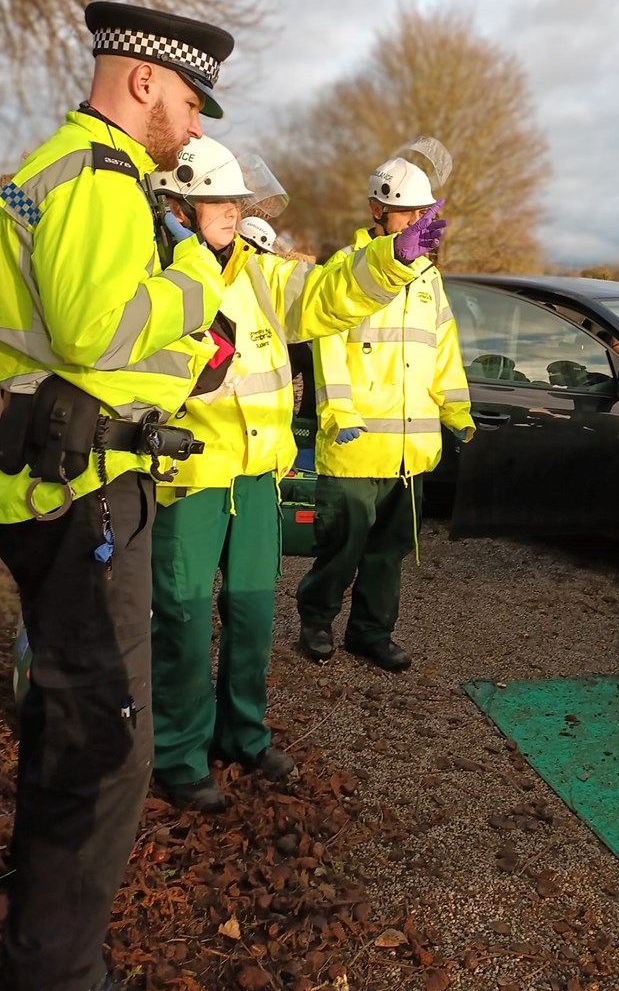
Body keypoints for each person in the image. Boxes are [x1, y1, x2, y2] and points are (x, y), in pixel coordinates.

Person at [0, 1, 234, 991]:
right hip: (82, 500)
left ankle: (43, 941)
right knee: (109, 749)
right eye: (191, 100)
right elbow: (95, 327)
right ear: (143, 81)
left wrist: (179, 364)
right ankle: (57, 980)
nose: (196, 125)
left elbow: (92, 344)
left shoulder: (53, 169)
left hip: (49, 479)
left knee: (67, 723)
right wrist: (196, 274)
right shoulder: (101, 176)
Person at [147, 139, 447, 812]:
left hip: (256, 475)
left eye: (235, 198)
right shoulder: (159, 275)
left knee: (251, 615)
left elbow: (327, 294)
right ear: (177, 207)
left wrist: (390, 261)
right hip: (189, 477)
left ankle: (243, 735)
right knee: (185, 622)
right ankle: (180, 753)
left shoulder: (258, 270)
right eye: (218, 200)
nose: (235, 210)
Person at [296, 149, 474, 671]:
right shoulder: (345, 269)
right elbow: (326, 349)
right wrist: (339, 415)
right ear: (378, 210)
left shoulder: (427, 278)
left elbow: (443, 351)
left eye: (424, 213)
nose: (418, 222)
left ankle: (371, 633)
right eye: (407, 213)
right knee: (342, 547)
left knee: (388, 553)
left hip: (409, 452)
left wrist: (458, 414)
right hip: (355, 446)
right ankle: (316, 620)